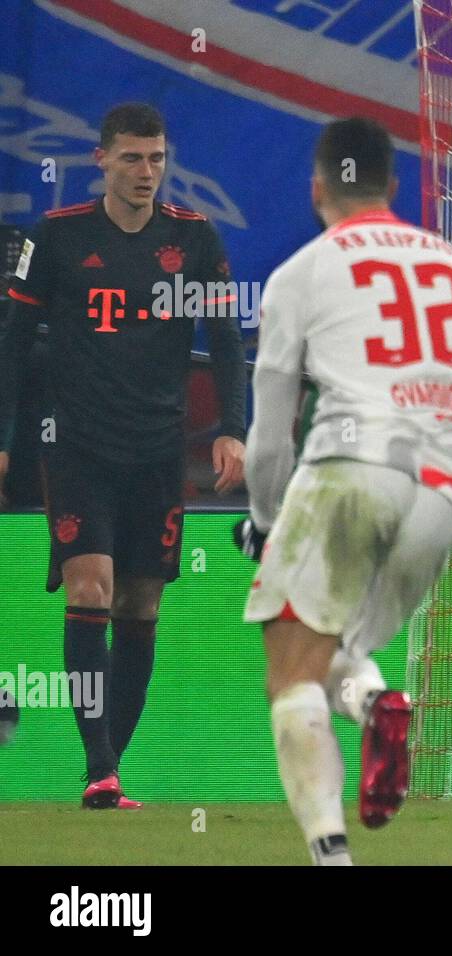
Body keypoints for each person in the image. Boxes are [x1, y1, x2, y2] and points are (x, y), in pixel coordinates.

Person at [234, 117, 452, 866]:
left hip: (350, 467)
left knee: (291, 667)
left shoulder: (302, 273)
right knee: (339, 646)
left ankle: (330, 856)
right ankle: (378, 703)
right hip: (445, 495)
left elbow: (270, 437)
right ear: (394, 187)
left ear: (317, 189)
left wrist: (264, 518)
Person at [0, 103, 247, 808]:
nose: (147, 172)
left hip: (157, 452)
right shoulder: (59, 236)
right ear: (101, 160)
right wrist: (4, 436)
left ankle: (108, 768)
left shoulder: (194, 240)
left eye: (157, 158)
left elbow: (226, 339)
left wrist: (231, 426)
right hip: (76, 445)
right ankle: (100, 768)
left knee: (141, 606)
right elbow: (15, 342)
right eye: (133, 158)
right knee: (91, 590)